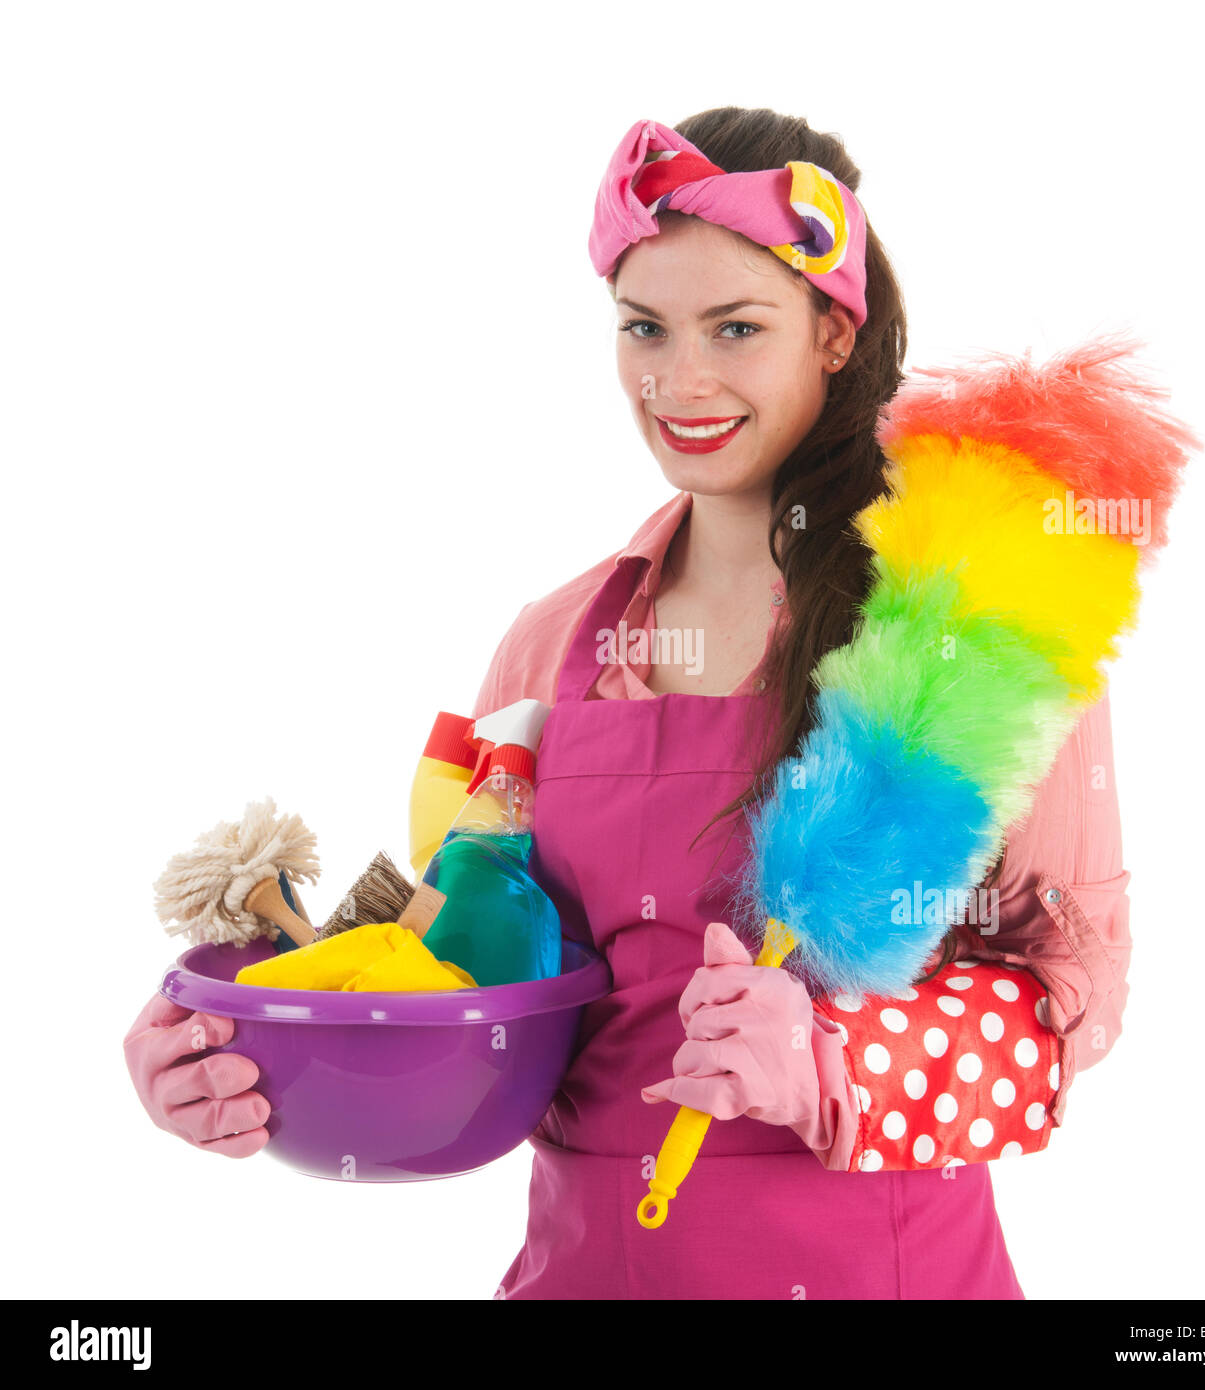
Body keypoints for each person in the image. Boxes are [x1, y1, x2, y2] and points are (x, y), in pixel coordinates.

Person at [124, 107, 1133, 1300]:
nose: (679, 380)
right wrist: (243, 1026)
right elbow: (448, 948)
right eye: (643, 327)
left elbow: (1070, 1003)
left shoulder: (965, 637)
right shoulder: (550, 645)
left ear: (832, 331)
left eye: (736, 328)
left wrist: (833, 1063)